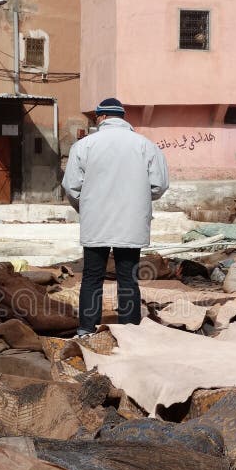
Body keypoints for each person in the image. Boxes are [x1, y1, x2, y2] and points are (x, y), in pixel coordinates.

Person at [62, 97, 169, 336]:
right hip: (131, 222)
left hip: (95, 221)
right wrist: (136, 201)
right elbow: (159, 185)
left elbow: (71, 186)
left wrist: (86, 206)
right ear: (122, 117)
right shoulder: (145, 145)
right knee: (128, 277)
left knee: (92, 276)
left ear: (101, 117)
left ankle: (86, 330)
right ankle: (130, 332)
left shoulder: (84, 145)